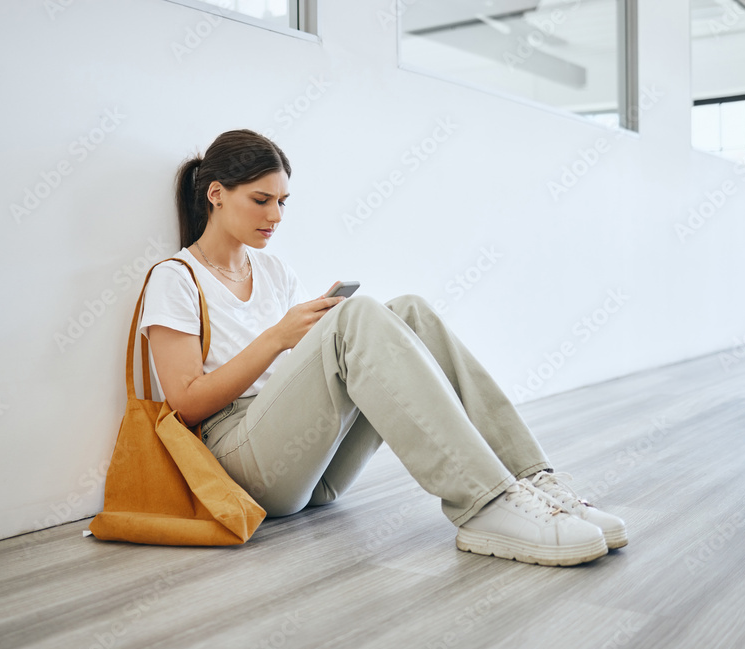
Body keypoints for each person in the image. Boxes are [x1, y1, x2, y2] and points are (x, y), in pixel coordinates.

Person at [140, 129, 627, 567]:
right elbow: (185, 404)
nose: (275, 216)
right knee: (357, 316)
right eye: (261, 200)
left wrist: (309, 339)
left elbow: (294, 372)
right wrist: (278, 338)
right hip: (242, 467)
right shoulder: (175, 278)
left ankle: (533, 481)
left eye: (283, 202)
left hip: (311, 469)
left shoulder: (274, 271)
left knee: (409, 311)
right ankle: (486, 503)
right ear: (216, 194)